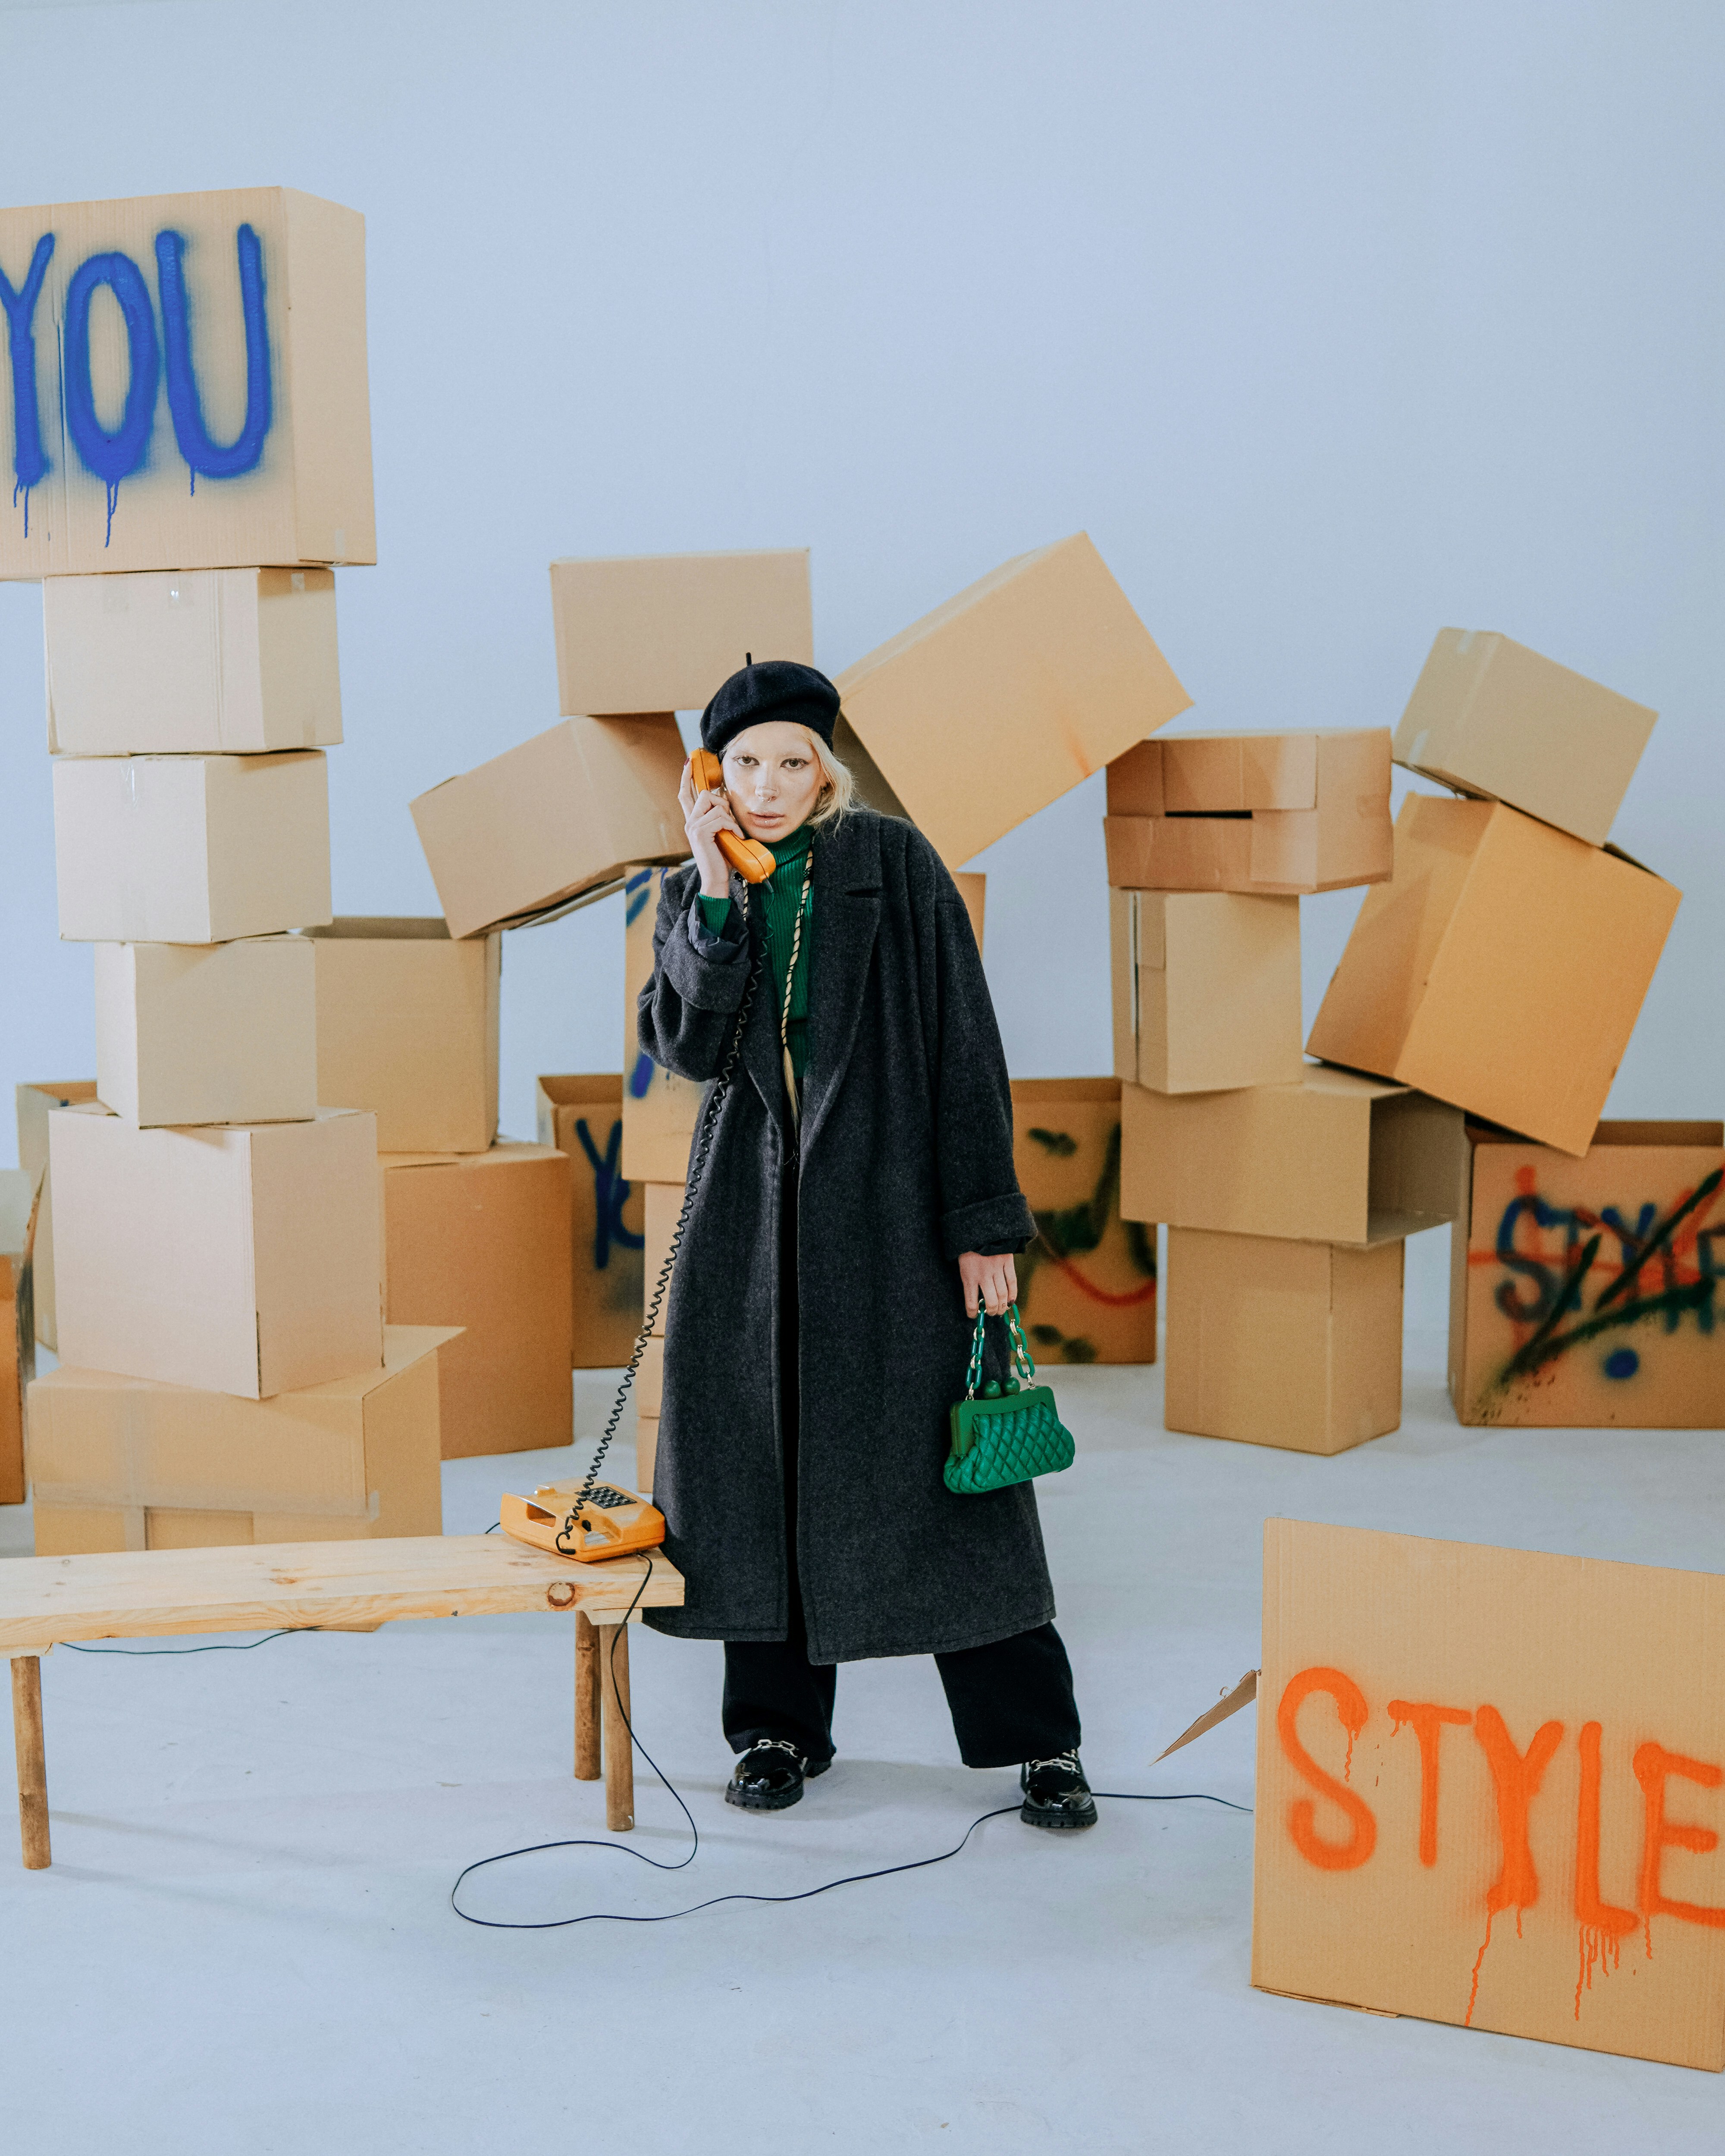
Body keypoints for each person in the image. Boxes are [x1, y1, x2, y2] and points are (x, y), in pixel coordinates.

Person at [637, 658, 1095, 1830]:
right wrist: (714, 890)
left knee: (952, 1491)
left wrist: (983, 1225)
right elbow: (686, 1050)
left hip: (891, 1223)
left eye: (794, 762)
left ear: (827, 769)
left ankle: (1037, 1746)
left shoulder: (894, 866)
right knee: (763, 1479)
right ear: (711, 774)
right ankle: (778, 1732)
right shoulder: (694, 894)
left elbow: (964, 1050)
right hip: (754, 1227)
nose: (771, 785)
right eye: (746, 763)